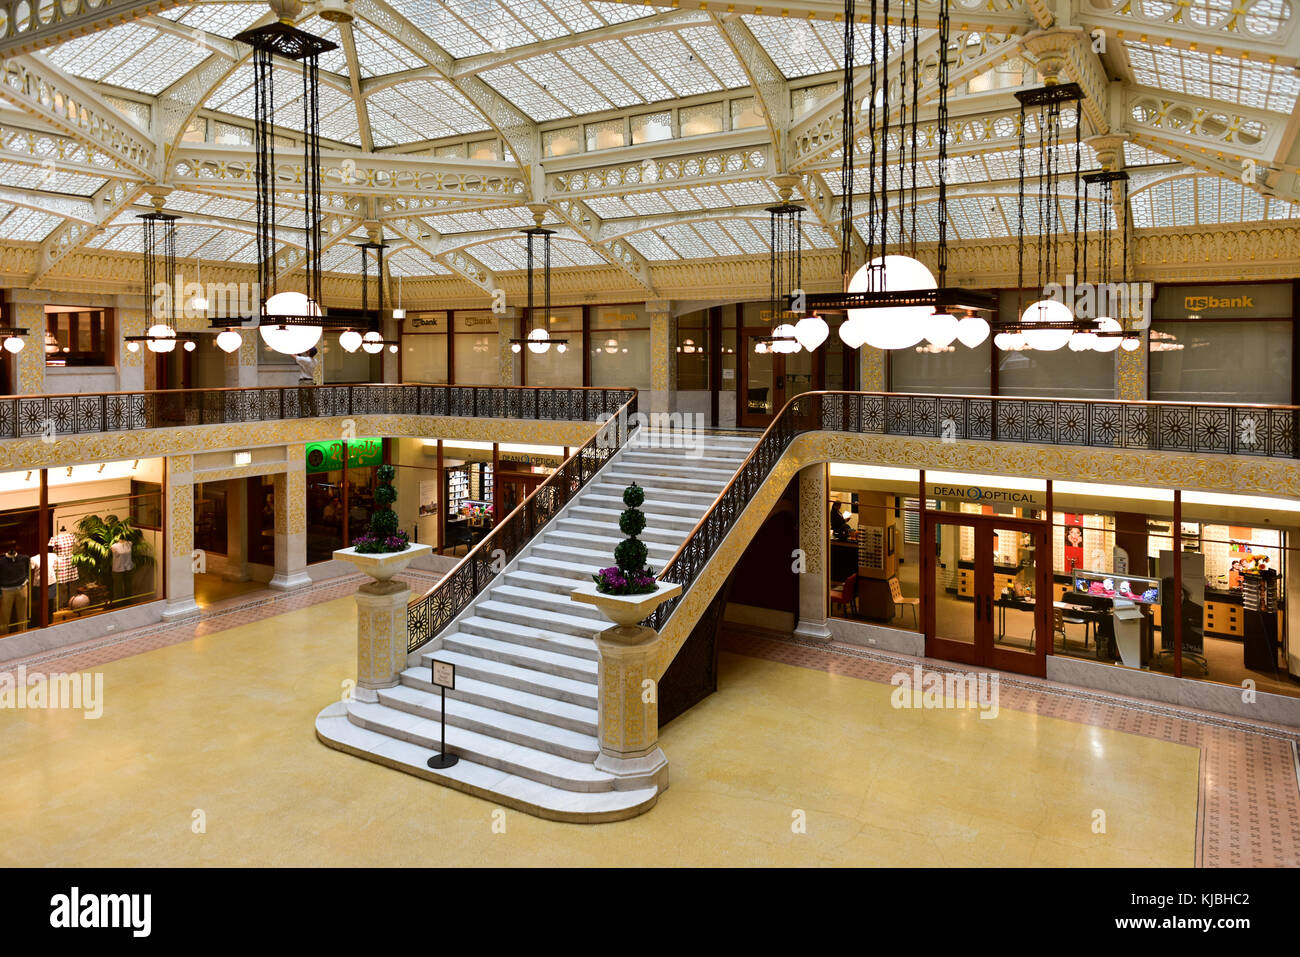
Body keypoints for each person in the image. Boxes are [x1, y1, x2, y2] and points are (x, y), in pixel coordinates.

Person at [296, 347, 319, 418]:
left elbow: (293, 356)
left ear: (309, 352)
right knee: (311, 398)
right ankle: (314, 413)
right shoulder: (315, 361)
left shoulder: (306, 360)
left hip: (304, 382)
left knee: (303, 399)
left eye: (308, 350)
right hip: (311, 381)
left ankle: (305, 414)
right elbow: (301, 359)